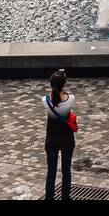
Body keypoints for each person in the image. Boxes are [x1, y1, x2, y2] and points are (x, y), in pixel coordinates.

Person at [42, 70, 76, 200]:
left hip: (52, 140)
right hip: (67, 139)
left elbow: (51, 96)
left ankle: (49, 197)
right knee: (66, 171)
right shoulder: (70, 99)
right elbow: (66, 95)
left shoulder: (45, 100)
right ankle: (65, 197)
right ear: (64, 84)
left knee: (51, 171)